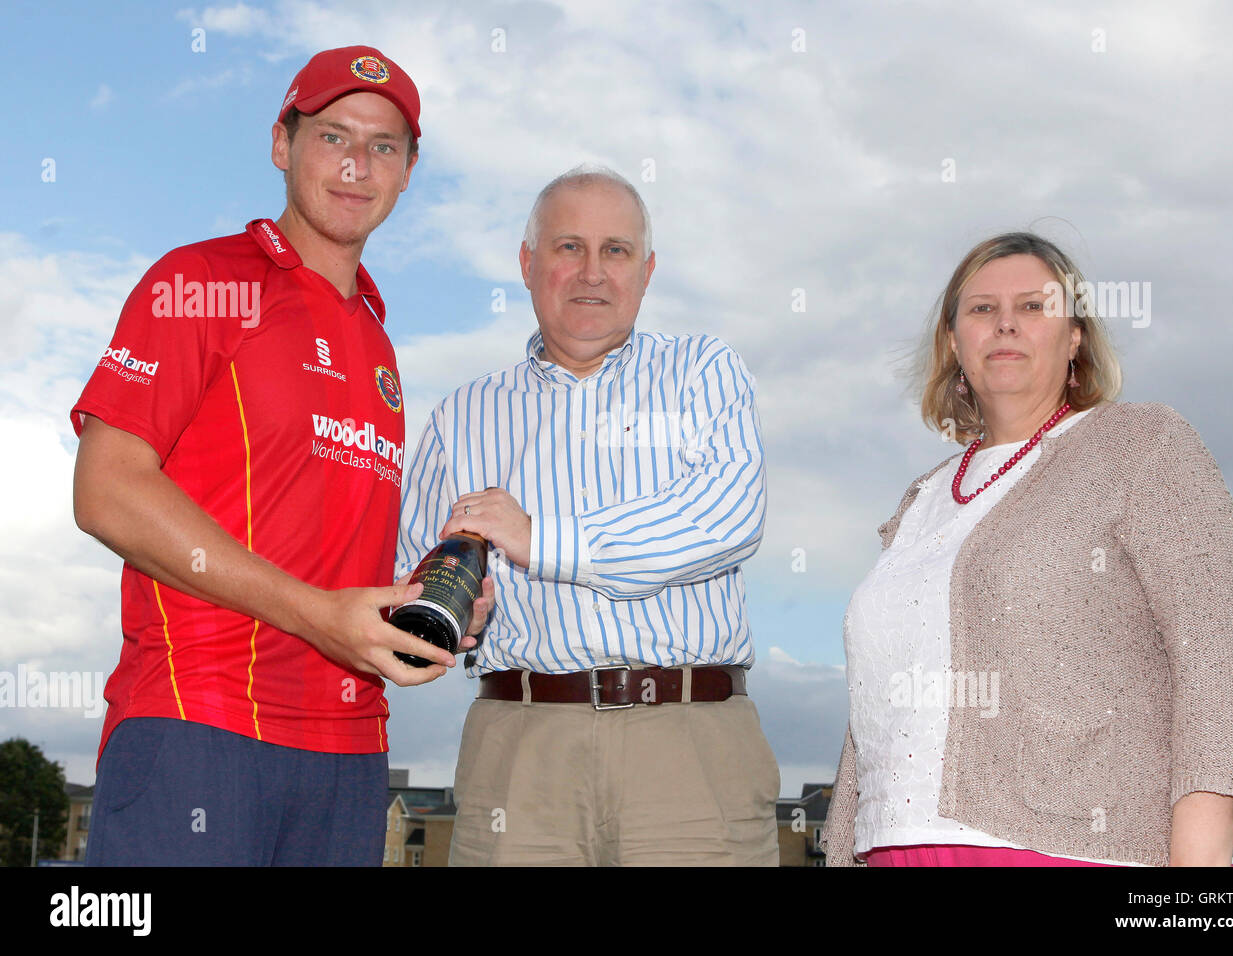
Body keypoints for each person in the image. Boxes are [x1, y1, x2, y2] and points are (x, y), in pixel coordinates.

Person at [71, 45, 491, 866]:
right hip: (201, 724)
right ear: (280, 144)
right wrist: (317, 616)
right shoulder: (200, 281)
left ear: (409, 173)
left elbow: (325, 548)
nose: (357, 166)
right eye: (334, 136)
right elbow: (106, 490)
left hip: (349, 749)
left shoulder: (376, 335)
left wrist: (429, 604)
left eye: (384, 147)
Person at [822, 232, 1233, 867]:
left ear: (1076, 336)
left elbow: (1223, 672)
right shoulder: (921, 500)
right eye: (980, 309)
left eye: (1035, 306)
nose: (1005, 323)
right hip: (893, 848)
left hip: (1070, 849)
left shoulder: (1141, 446)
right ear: (953, 343)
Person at [397, 164, 778, 865]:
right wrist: (454, 625)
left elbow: (726, 518)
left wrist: (540, 539)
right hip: (519, 751)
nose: (592, 272)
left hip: (690, 750)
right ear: (527, 263)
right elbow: (412, 591)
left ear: (647, 270)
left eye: (617, 251)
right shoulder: (461, 416)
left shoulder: (702, 370)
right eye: (569, 247)